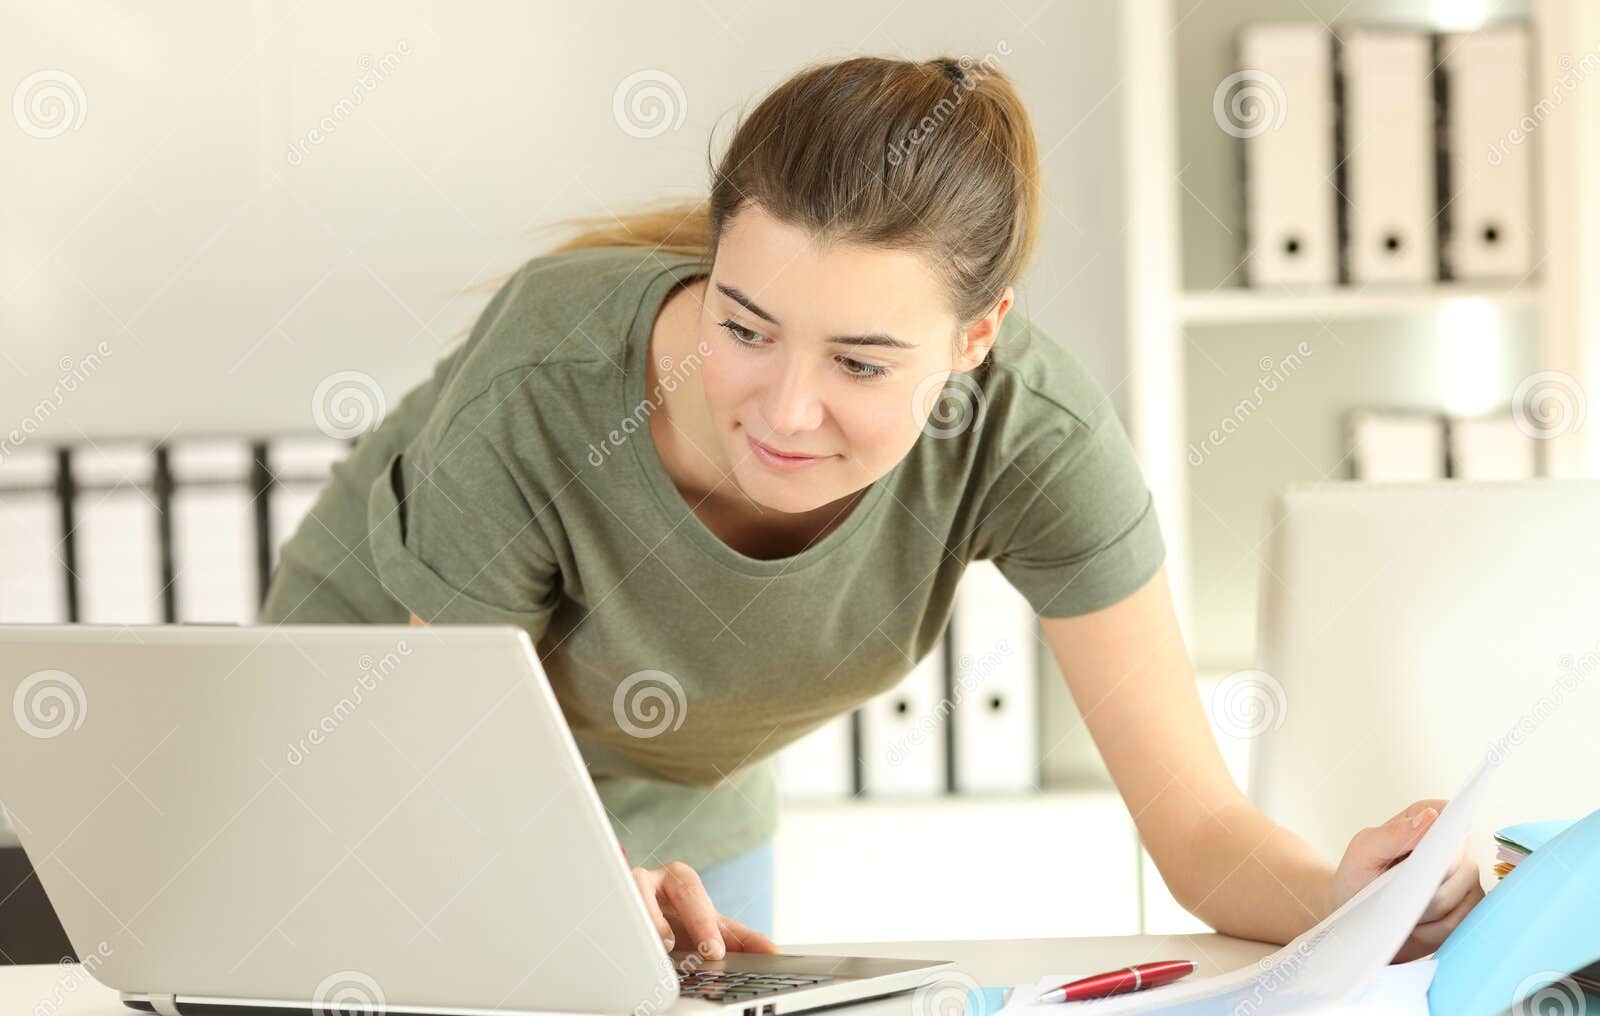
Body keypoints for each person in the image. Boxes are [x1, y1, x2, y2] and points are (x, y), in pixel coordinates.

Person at [261, 54, 1483, 963]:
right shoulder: (549, 380)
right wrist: (566, 882)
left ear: (976, 337)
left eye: (858, 361)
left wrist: (1346, 897)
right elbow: (450, 769)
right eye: (743, 326)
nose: (785, 412)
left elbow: (1200, 829)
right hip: (384, 723)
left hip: (685, 781)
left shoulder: (1033, 437)